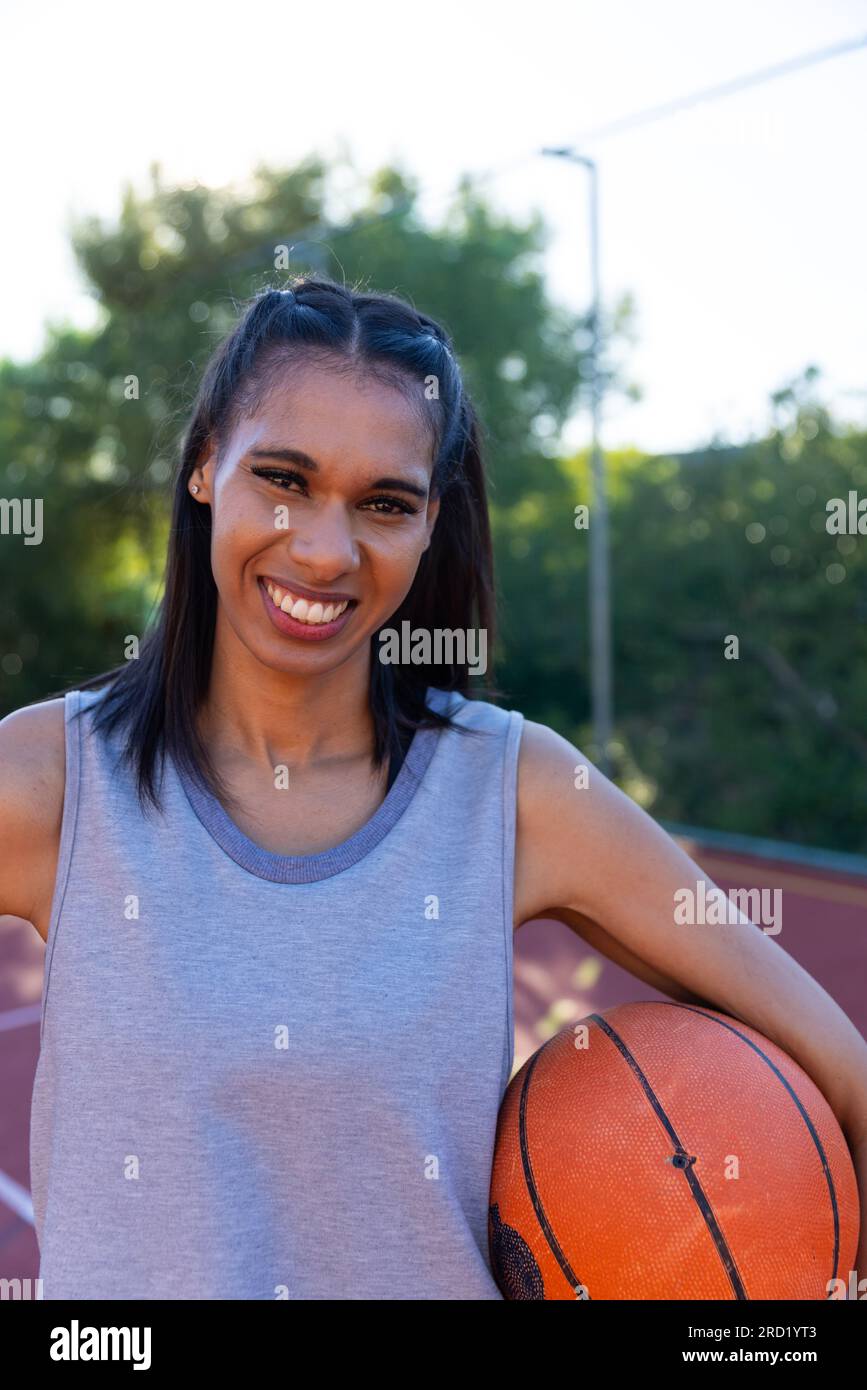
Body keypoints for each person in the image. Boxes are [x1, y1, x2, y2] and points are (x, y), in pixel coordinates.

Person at [1, 277, 865, 1300]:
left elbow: (840, 1067)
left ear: (430, 522)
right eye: (284, 478)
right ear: (203, 469)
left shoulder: (513, 789)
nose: (326, 548)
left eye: (385, 503)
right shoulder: (55, 780)